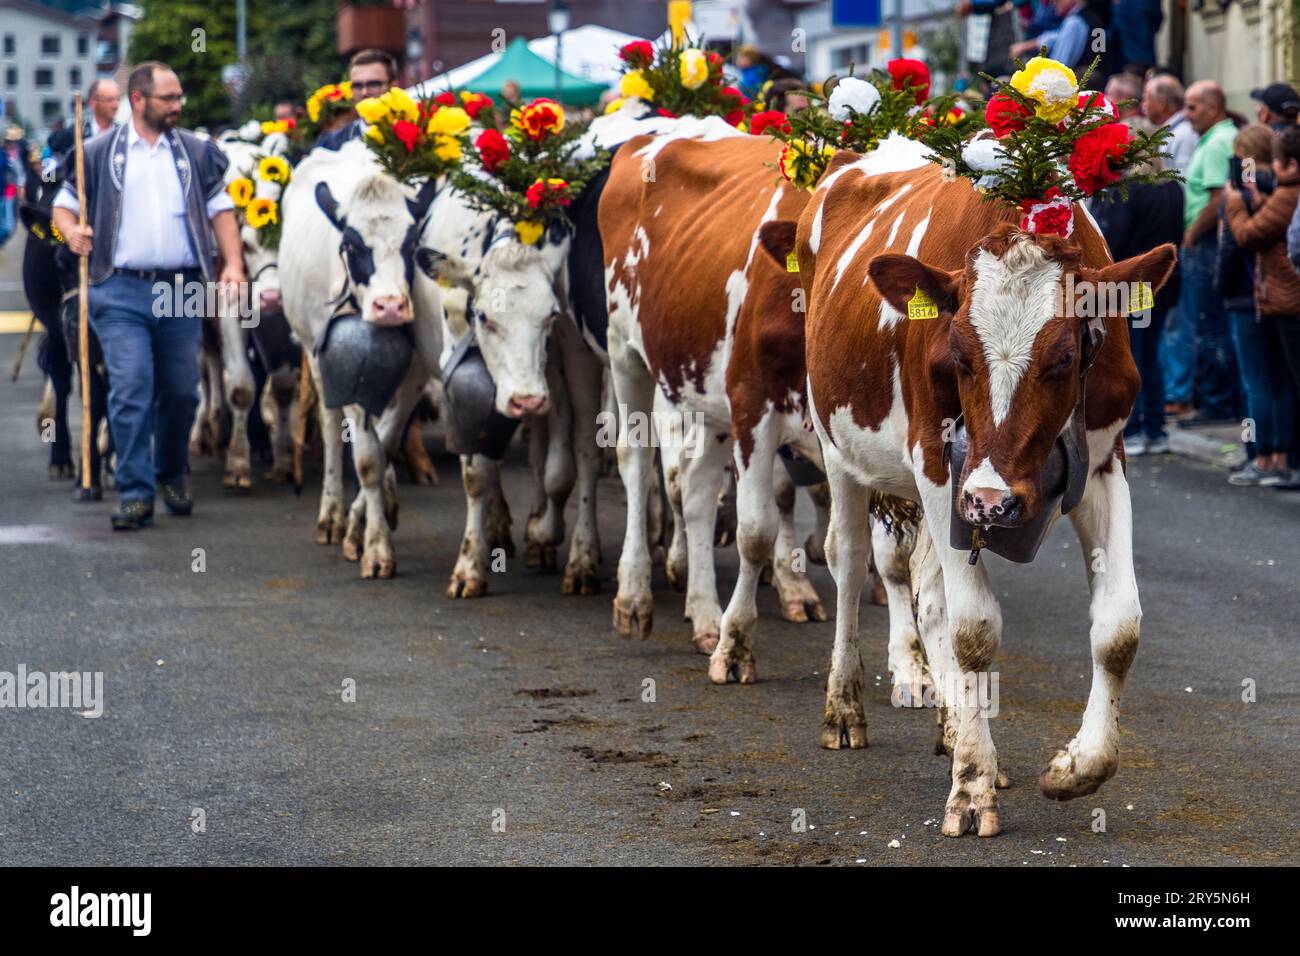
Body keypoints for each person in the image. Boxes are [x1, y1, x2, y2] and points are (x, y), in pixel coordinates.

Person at [51, 61, 244, 530]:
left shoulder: (198, 152)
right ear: (139, 100)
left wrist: (234, 264)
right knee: (131, 388)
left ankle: (171, 473)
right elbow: (63, 205)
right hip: (118, 289)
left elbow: (222, 209)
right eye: (169, 99)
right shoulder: (97, 152)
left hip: (182, 289)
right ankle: (136, 493)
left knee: (181, 392)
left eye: (179, 98)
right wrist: (72, 232)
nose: (178, 106)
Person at [1091, 117, 1182, 456]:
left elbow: (1111, 241)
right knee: (1152, 354)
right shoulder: (1171, 187)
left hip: (1130, 285)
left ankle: (1140, 424)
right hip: (1165, 281)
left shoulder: (1125, 190)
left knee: (1132, 355)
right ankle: (1155, 426)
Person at [1216, 124, 1295, 485]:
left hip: (1250, 296)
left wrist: (1222, 285)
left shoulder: (1242, 191)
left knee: (1254, 383)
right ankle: (1281, 453)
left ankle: (1256, 452)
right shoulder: (1276, 187)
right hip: (1273, 298)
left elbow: (1236, 242)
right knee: (1279, 380)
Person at [1165, 80, 1240, 422]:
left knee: (1208, 323)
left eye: (1193, 107)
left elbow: (1216, 201)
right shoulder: (1216, 139)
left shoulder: (1215, 144)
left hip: (1206, 244)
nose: (1186, 115)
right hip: (1208, 243)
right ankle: (1218, 398)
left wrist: (1191, 237)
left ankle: (1217, 402)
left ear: (1213, 108)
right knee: (1209, 321)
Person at [316, 49, 400, 151]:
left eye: (373, 84)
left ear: (394, 86)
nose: (364, 92)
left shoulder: (415, 139)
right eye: (357, 85)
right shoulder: (330, 144)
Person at [1142, 74, 1197, 174]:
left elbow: (1183, 181)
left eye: (1146, 98)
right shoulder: (1175, 132)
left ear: (1161, 104)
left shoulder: (1182, 135)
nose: (1143, 105)